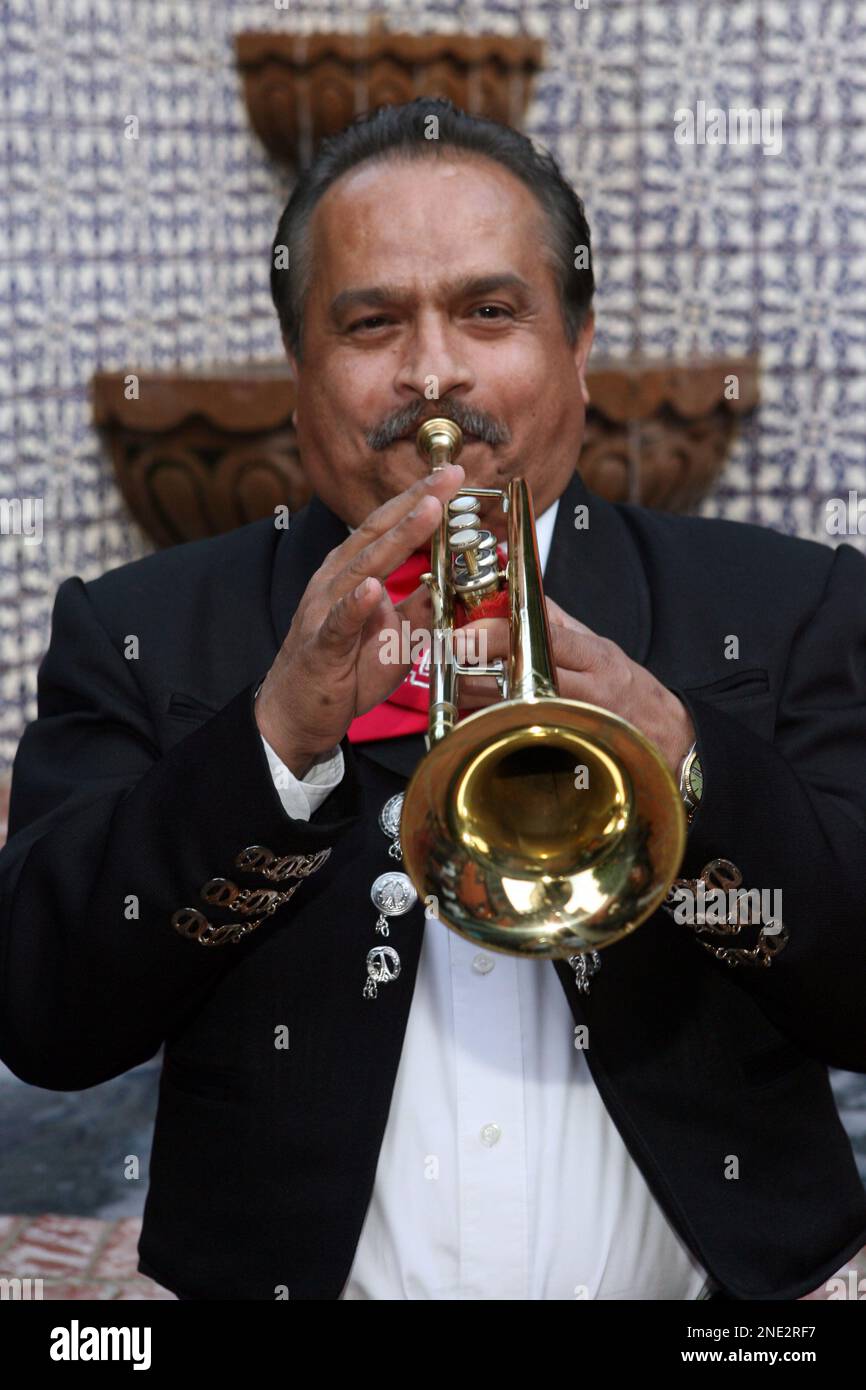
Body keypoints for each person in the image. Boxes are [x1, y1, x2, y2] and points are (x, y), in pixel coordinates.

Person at [1, 98, 865, 1302]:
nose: (433, 371)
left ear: (579, 345)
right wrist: (272, 740)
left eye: (488, 310)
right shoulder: (139, 626)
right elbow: (44, 1018)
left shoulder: (790, 603)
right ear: (300, 376)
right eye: (369, 323)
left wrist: (683, 758)